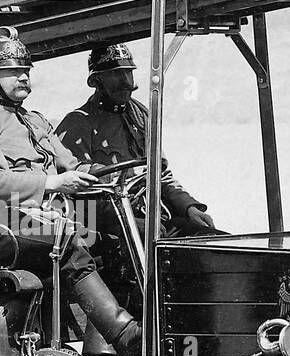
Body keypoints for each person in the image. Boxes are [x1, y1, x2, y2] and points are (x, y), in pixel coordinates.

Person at [0, 26, 142, 356]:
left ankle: (99, 354)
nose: (23, 77)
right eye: (14, 72)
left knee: (120, 234)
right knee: (65, 237)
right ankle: (127, 336)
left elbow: (71, 164)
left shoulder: (35, 121)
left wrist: (95, 174)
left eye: (26, 71)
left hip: (39, 219)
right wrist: (51, 184)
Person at [56, 42, 216, 236]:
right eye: (115, 74)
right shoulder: (77, 123)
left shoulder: (141, 115)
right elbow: (76, 193)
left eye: (128, 72)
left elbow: (161, 175)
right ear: (96, 81)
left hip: (155, 215)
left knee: (211, 241)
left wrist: (188, 206)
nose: (125, 81)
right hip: (111, 223)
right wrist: (127, 222)